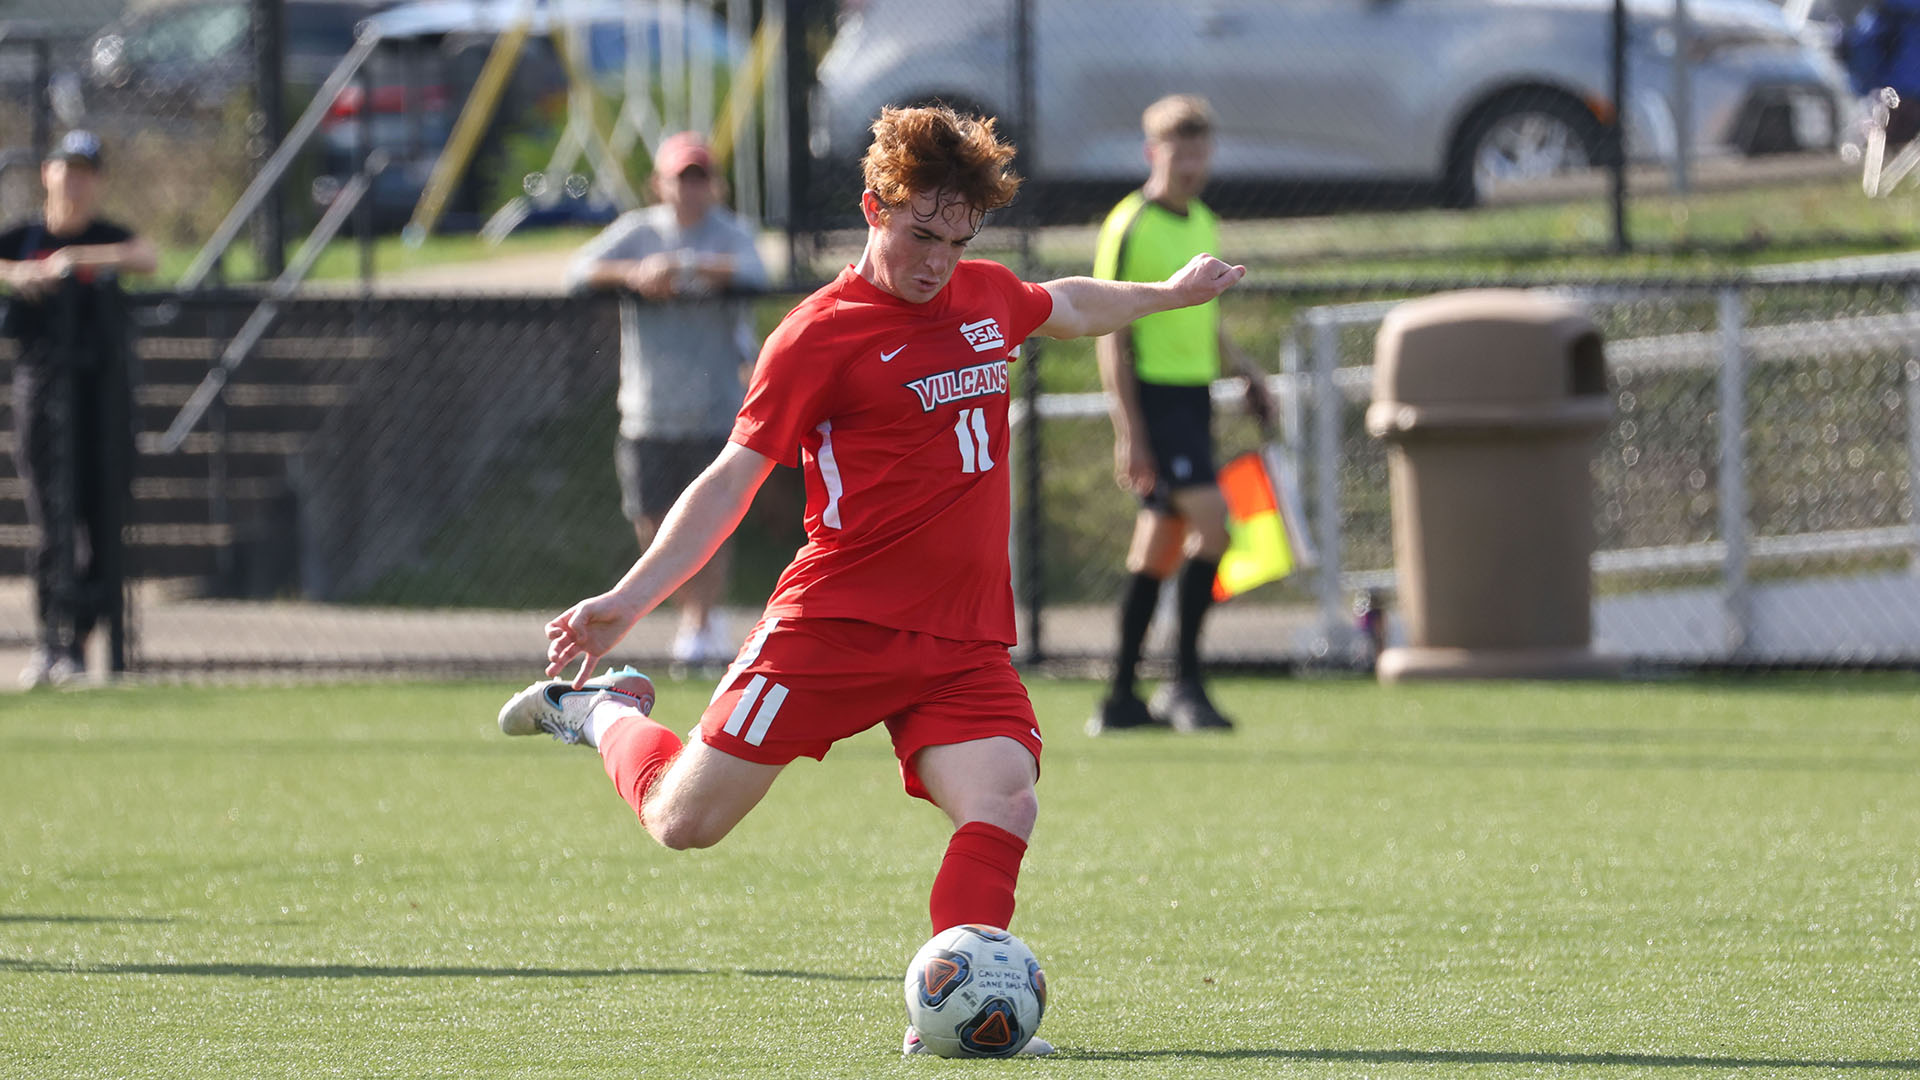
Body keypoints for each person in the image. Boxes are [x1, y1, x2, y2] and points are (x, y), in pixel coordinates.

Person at [498, 104, 1247, 1056]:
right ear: (874, 208)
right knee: (683, 822)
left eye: (957, 238)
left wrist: (1170, 295)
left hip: (959, 638)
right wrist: (626, 602)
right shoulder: (818, 336)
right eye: (919, 233)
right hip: (835, 624)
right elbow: (732, 479)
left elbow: (1063, 303)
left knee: (1005, 798)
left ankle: (951, 1016)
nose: (937, 259)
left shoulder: (981, 295)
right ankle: (599, 710)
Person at [1087, 95, 1273, 736]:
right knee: (1215, 528)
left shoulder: (1204, 222)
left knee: (1159, 549)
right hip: (1156, 400)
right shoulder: (1129, 225)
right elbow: (1111, 330)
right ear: (1153, 153)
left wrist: (1246, 371)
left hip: (1195, 399)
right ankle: (1185, 684)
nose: (1192, 163)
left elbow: (1207, 317)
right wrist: (1129, 431)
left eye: (1200, 150)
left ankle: (1118, 699)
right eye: (1179, 150)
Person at [566, 132, 769, 666]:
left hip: (715, 407)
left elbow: (757, 272)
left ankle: (706, 623)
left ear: (715, 185)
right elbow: (577, 271)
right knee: (653, 522)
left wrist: (687, 267)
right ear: (659, 184)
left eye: (701, 177)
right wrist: (634, 274)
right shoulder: (636, 233)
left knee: (714, 521)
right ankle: (688, 617)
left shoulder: (730, 233)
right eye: (682, 178)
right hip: (648, 410)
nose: (691, 189)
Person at [0, 130, 156, 688]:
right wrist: (22, 274)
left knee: (102, 524)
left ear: (99, 180)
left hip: (102, 399)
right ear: (47, 173)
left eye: (87, 171)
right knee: (51, 526)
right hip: (43, 393)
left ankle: (82, 642)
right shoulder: (21, 236)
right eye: (67, 169)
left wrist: (76, 259)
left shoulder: (105, 235)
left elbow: (148, 256)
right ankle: (49, 643)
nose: (76, 181)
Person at [1842, 0, 1920, 146]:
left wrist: (1866, 88)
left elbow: (1865, 45)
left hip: (1900, 93)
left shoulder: (1890, 11)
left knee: (1891, 154)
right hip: (1904, 91)